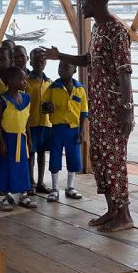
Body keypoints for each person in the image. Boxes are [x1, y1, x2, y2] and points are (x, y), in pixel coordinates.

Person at [45, 0, 135, 232]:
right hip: (99, 107)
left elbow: (124, 72)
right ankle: (112, 210)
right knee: (100, 158)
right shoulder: (98, 28)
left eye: (83, 2)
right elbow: (88, 60)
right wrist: (60, 55)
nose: (80, 7)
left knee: (114, 161)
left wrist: (126, 109)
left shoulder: (116, 31)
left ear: (94, 3)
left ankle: (124, 216)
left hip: (115, 109)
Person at [45, 60, 88, 202]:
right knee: (55, 157)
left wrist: (81, 131)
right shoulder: (52, 88)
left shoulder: (80, 89)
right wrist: (47, 107)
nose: (62, 69)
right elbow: (43, 106)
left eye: (66, 67)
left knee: (73, 158)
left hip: (73, 130)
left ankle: (70, 187)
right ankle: (55, 189)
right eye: (60, 67)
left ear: (74, 70)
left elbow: (83, 113)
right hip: (57, 128)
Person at [0, 65, 36, 210]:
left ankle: (22, 194)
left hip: (22, 139)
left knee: (22, 167)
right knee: (6, 167)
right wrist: (0, 142)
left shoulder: (26, 99)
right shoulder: (2, 100)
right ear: (12, 81)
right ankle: (2, 197)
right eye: (22, 79)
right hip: (8, 139)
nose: (25, 82)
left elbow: (26, 121)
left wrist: (29, 139)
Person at [24, 46, 54, 194]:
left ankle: (41, 182)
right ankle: (31, 182)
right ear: (31, 62)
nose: (39, 63)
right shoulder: (26, 82)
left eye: (42, 60)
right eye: (36, 61)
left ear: (46, 62)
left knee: (42, 153)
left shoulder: (50, 82)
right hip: (31, 123)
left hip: (46, 123)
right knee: (31, 153)